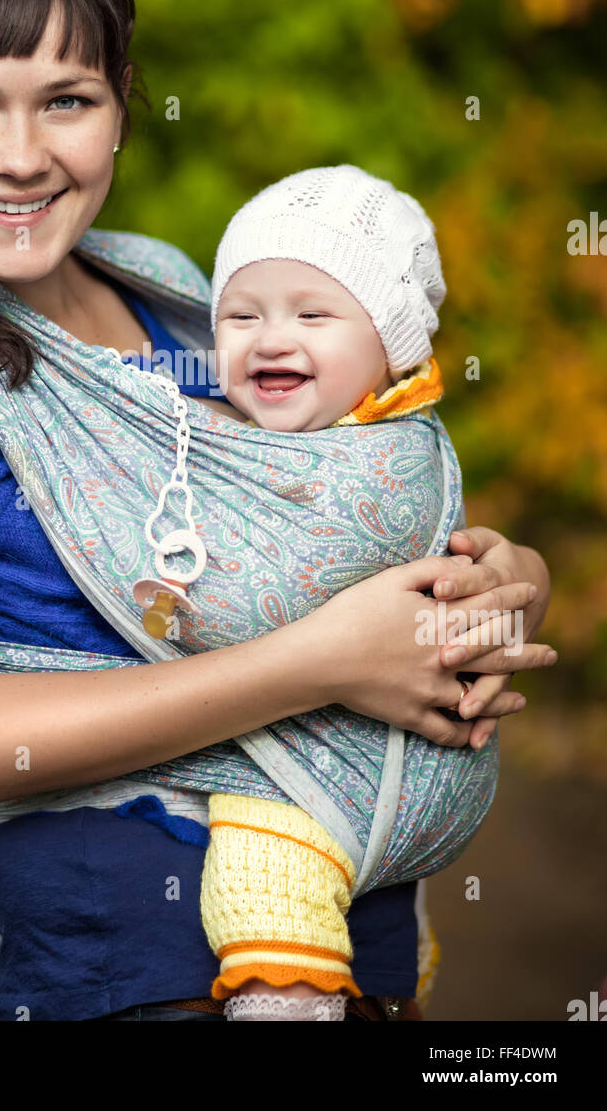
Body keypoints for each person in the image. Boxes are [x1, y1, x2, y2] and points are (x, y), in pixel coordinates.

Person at [0, 0, 554, 1022]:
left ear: (121, 103)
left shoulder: (180, 296)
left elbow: (322, 517)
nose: (20, 157)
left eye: (65, 100)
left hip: (348, 937)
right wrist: (324, 662)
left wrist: (496, 576)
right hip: (124, 981)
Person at [190, 163, 500, 1021]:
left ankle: (287, 1005)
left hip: (327, 774)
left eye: (312, 313)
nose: (270, 338)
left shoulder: (386, 458)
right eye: (241, 315)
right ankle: (400, 946)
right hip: (398, 777)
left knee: (260, 886)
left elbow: (274, 589)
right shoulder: (266, 437)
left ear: (392, 347)